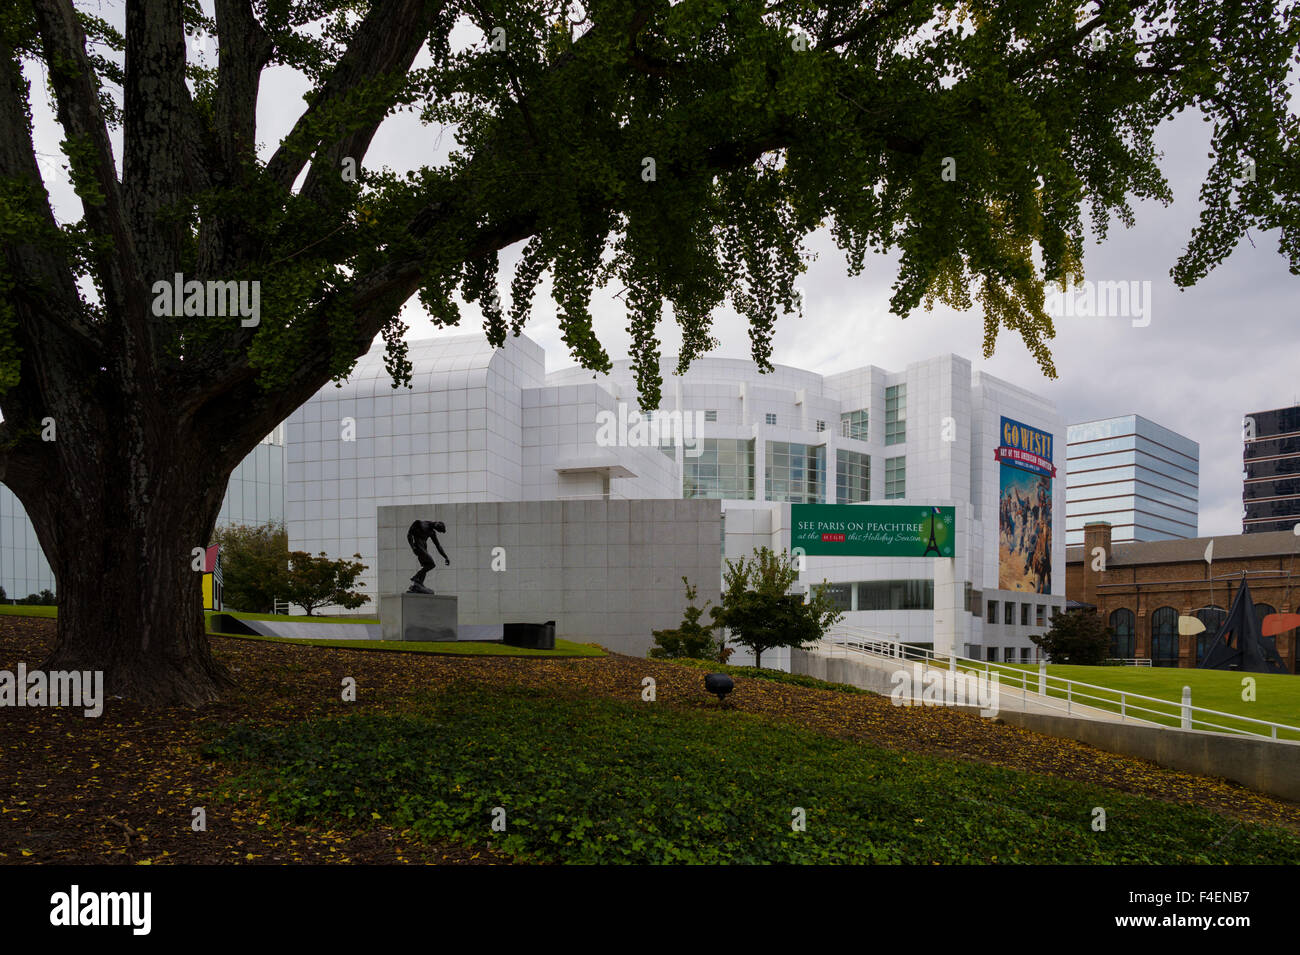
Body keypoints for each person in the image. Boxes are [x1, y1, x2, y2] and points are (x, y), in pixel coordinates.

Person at [406, 519, 450, 594]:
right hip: (418, 546)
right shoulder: (419, 523)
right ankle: (415, 577)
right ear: (437, 523)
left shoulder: (432, 532)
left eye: (438, 530)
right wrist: (412, 547)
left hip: (423, 547)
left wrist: (445, 557)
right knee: (431, 564)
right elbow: (409, 534)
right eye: (438, 528)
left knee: (425, 566)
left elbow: (438, 546)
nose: (437, 530)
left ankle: (418, 584)